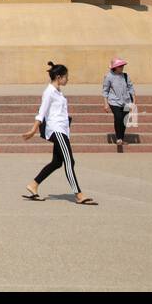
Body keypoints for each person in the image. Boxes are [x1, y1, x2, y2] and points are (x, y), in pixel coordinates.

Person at [23, 62, 97, 204]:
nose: (67, 79)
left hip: (62, 130)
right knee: (69, 161)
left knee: (57, 162)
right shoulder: (49, 92)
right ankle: (79, 194)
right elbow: (42, 112)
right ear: (58, 77)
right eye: (66, 77)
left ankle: (33, 185)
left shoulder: (57, 92)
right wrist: (33, 129)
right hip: (56, 130)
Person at [102, 57, 136, 152]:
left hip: (126, 101)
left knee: (124, 120)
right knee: (118, 117)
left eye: (122, 65)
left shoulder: (125, 76)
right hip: (114, 101)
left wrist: (134, 101)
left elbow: (131, 88)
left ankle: (121, 137)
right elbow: (105, 91)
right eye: (120, 66)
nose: (122, 67)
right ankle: (118, 138)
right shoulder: (108, 76)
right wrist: (106, 104)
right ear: (115, 67)